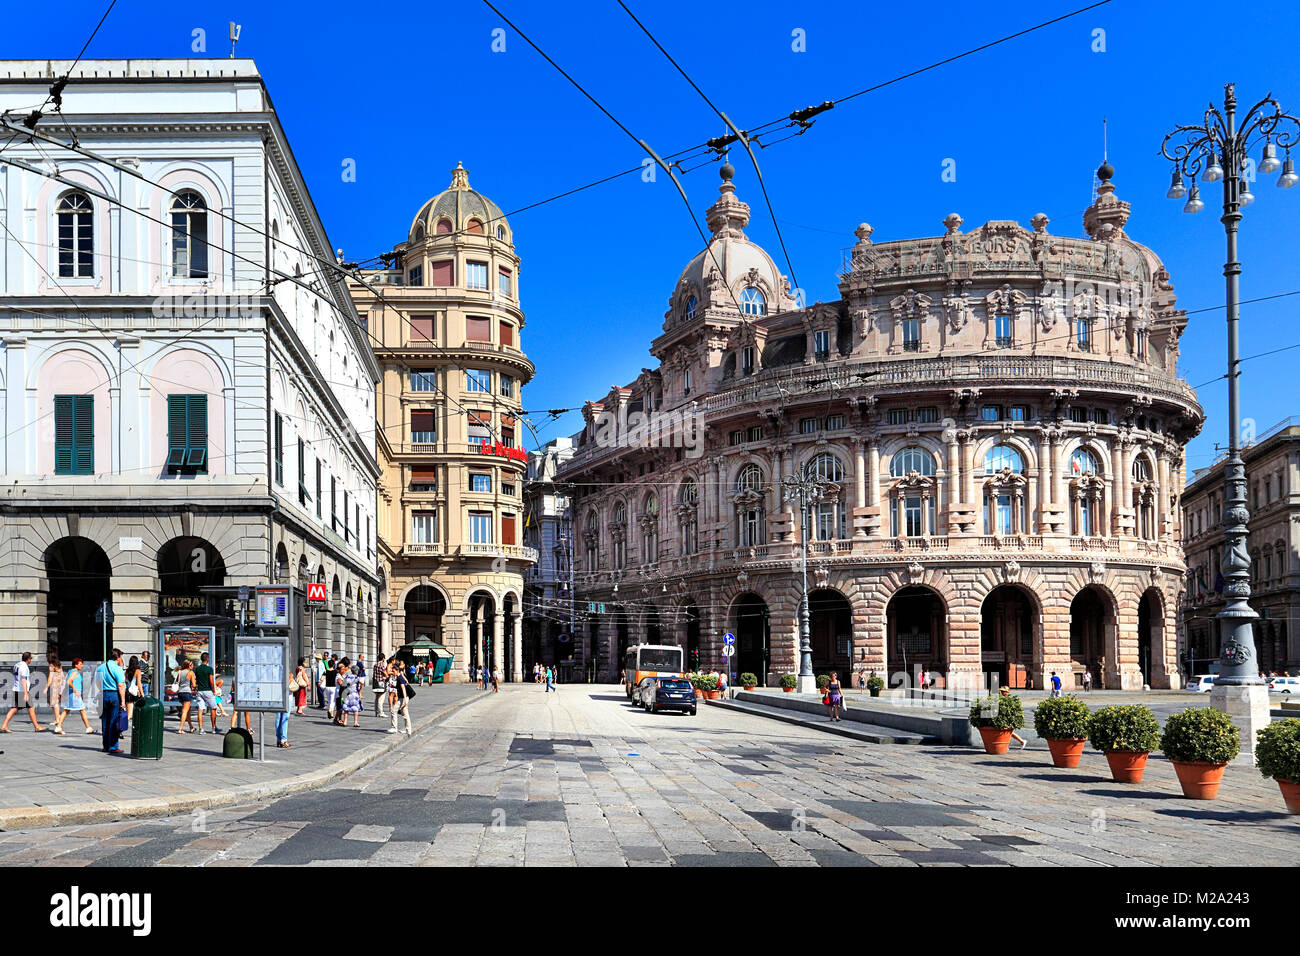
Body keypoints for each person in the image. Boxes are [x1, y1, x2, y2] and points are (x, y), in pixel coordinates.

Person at [2, 651, 45, 733]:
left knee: (16, 708)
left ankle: (4, 726)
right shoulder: (24, 667)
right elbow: (23, 679)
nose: (31, 660)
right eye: (31, 658)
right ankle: (37, 727)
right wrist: (26, 693)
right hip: (22, 691)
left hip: (16, 689)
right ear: (28, 659)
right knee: (30, 707)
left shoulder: (17, 665)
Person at [97, 648, 127, 753]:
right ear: (118, 658)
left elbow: (97, 683)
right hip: (114, 695)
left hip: (103, 695)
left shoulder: (100, 668)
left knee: (104, 721)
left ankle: (105, 745)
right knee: (114, 721)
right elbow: (121, 685)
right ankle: (113, 746)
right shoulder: (117, 668)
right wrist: (123, 702)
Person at [58, 658, 93, 734]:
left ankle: (58, 727)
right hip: (74, 694)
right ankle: (88, 728)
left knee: (66, 710)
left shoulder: (71, 671)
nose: (82, 666)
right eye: (80, 664)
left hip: (71, 694)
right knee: (82, 710)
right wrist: (76, 690)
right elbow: (69, 682)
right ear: (75, 665)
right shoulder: (75, 672)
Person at [193, 652, 219, 735]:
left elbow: (196, 679)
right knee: (213, 708)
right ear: (207, 659)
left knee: (200, 710)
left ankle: (201, 728)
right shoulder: (209, 669)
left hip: (200, 691)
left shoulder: (197, 669)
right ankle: (213, 728)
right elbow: (211, 681)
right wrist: (214, 690)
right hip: (208, 690)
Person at [387, 665, 412, 736]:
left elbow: (403, 688)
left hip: (403, 698)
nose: (392, 672)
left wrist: (405, 701)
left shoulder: (399, 678)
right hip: (404, 698)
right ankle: (408, 730)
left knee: (393, 711)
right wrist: (393, 686)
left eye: (393, 671)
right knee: (405, 714)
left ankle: (394, 727)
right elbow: (400, 688)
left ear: (397, 671)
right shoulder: (399, 678)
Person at [176, 659, 198, 733]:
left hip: (180, 692)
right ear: (189, 666)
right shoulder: (190, 673)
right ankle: (180, 729)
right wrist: (196, 686)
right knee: (185, 711)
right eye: (191, 665)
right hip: (187, 692)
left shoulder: (180, 672)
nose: (193, 666)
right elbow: (194, 685)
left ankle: (191, 727)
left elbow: (177, 682)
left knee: (187, 710)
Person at [46, 653, 66, 735]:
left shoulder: (51, 665)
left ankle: (57, 719)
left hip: (55, 684)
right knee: (50, 700)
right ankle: (57, 718)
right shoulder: (59, 663)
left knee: (55, 702)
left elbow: (50, 677)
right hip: (60, 683)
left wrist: (46, 686)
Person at [339, 658, 362, 727]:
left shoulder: (347, 676)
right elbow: (360, 684)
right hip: (354, 694)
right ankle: (355, 722)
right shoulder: (357, 678)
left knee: (346, 708)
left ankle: (345, 722)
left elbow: (343, 684)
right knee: (355, 708)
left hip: (347, 694)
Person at [124, 655, 144, 728]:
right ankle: (119, 728)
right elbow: (139, 683)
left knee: (129, 713)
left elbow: (125, 681)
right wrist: (142, 693)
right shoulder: (138, 671)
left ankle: (131, 727)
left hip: (127, 692)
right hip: (133, 693)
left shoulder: (126, 671)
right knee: (129, 714)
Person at [276, 668, 292, 749]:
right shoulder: (287, 674)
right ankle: (284, 740)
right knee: (284, 719)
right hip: (287, 698)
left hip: (279, 698)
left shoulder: (277, 673)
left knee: (279, 718)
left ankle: (279, 739)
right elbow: (287, 686)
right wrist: (290, 678)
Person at [324, 654, 339, 718]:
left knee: (329, 700)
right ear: (333, 665)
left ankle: (331, 713)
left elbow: (321, 678)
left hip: (327, 687)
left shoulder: (326, 671)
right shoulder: (335, 672)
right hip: (333, 687)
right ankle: (330, 710)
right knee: (333, 701)